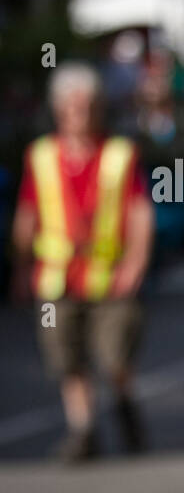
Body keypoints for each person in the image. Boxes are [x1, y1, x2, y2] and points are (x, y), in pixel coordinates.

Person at [8, 62, 153, 461]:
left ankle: (124, 405)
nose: (80, 113)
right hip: (56, 281)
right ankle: (83, 430)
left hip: (110, 277)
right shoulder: (40, 157)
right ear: (58, 110)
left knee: (115, 357)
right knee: (67, 359)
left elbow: (140, 212)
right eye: (72, 106)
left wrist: (135, 264)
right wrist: (21, 268)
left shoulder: (119, 155)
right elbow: (28, 215)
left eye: (87, 105)